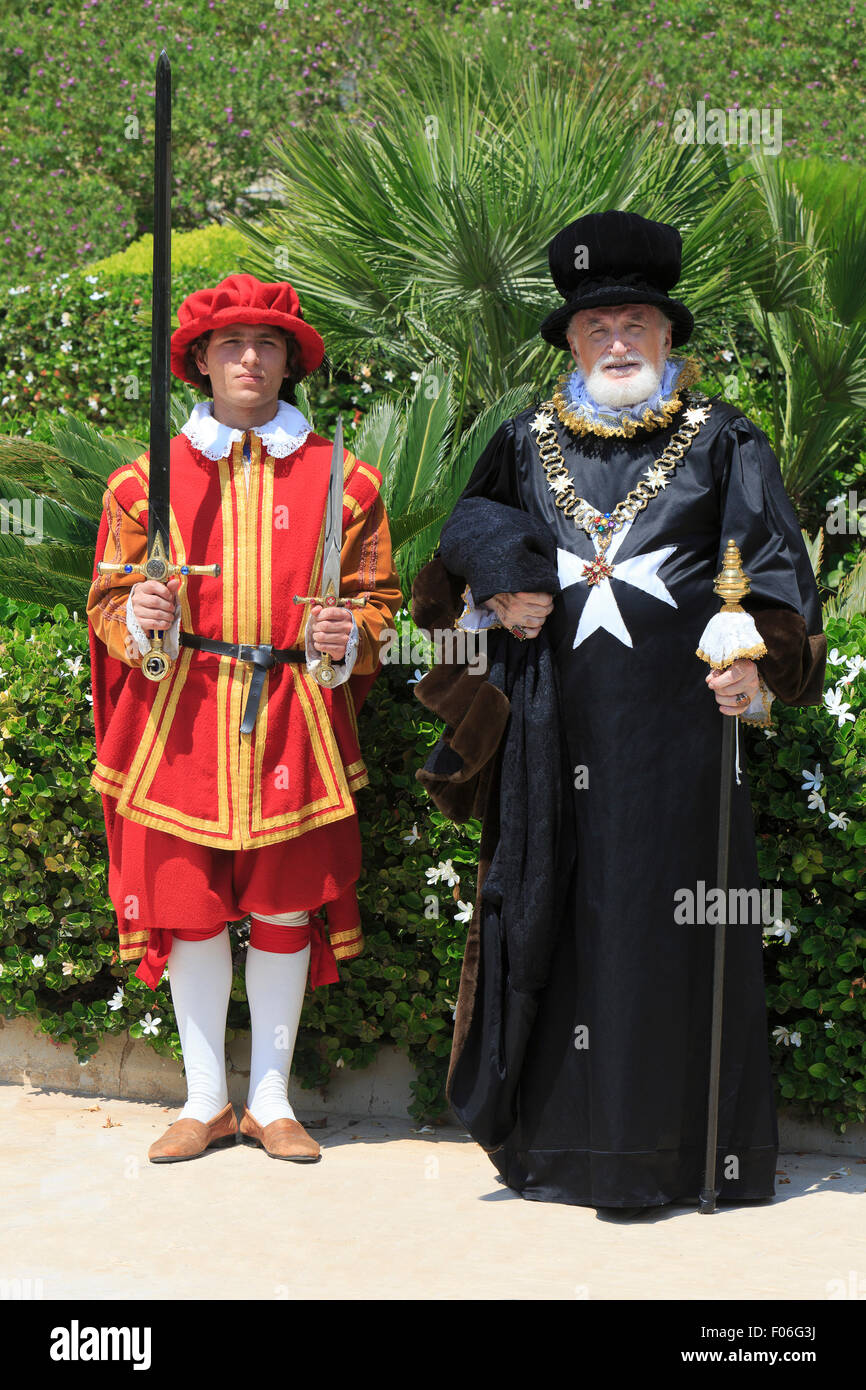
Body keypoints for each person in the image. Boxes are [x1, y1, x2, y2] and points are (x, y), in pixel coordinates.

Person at [411, 211, 826, 1215]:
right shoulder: (521, 441)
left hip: (676, 745)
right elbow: (452, 561)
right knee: (557, 921)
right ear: (567, 341)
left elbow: (768, 574)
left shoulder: (724, 440)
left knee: (662, 934)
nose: (615, 341)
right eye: (594, 327)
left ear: (667, 335)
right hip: (550, 739)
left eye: (634, 321)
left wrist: (756, 670)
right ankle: (561, 1153)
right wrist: (496, 590)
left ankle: (675, 1159)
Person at [87, 273, 401, 1163]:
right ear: (201, 360)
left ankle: (271, 1100)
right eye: (231, 346)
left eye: (266, 345)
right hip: (176, 722)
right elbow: (105, 603)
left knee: (284, 908)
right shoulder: (143, 482)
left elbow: (378, 605)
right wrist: (135, 617)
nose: (249, 359)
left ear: (289, 362)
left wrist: (348, 635)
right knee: (187, 907)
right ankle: (204, 1100)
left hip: (293, 716)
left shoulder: (349, 480)